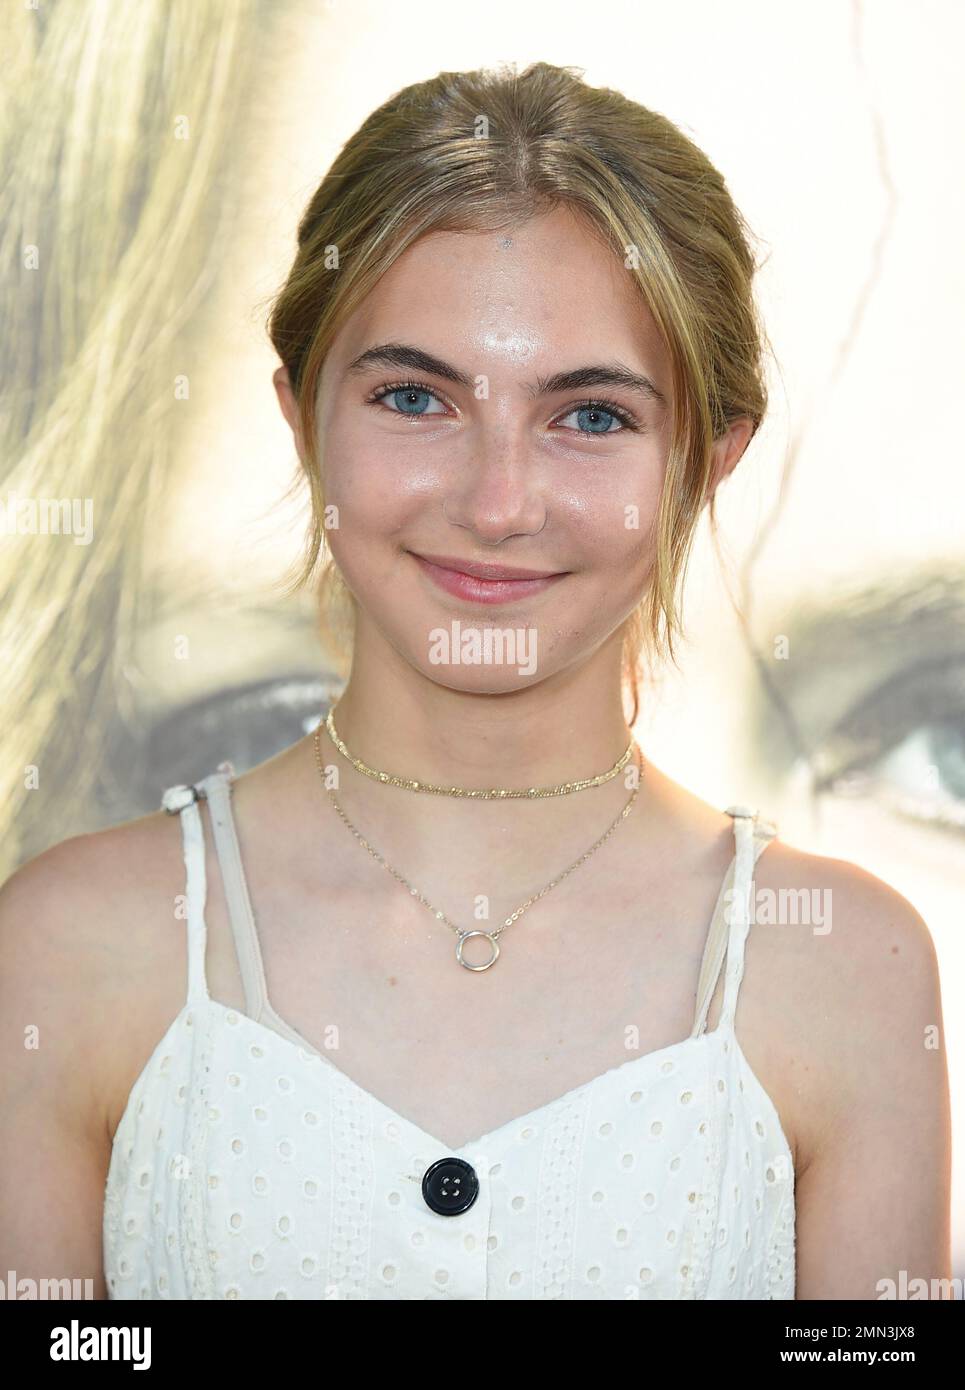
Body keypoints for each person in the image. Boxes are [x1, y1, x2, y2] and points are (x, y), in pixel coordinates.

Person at [0, 61, 951, 1301]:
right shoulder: (68, 945)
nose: (497, 504)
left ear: (707, 461)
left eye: (591, 417)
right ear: (300, 419)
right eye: (414, 397)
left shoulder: (851, 971)